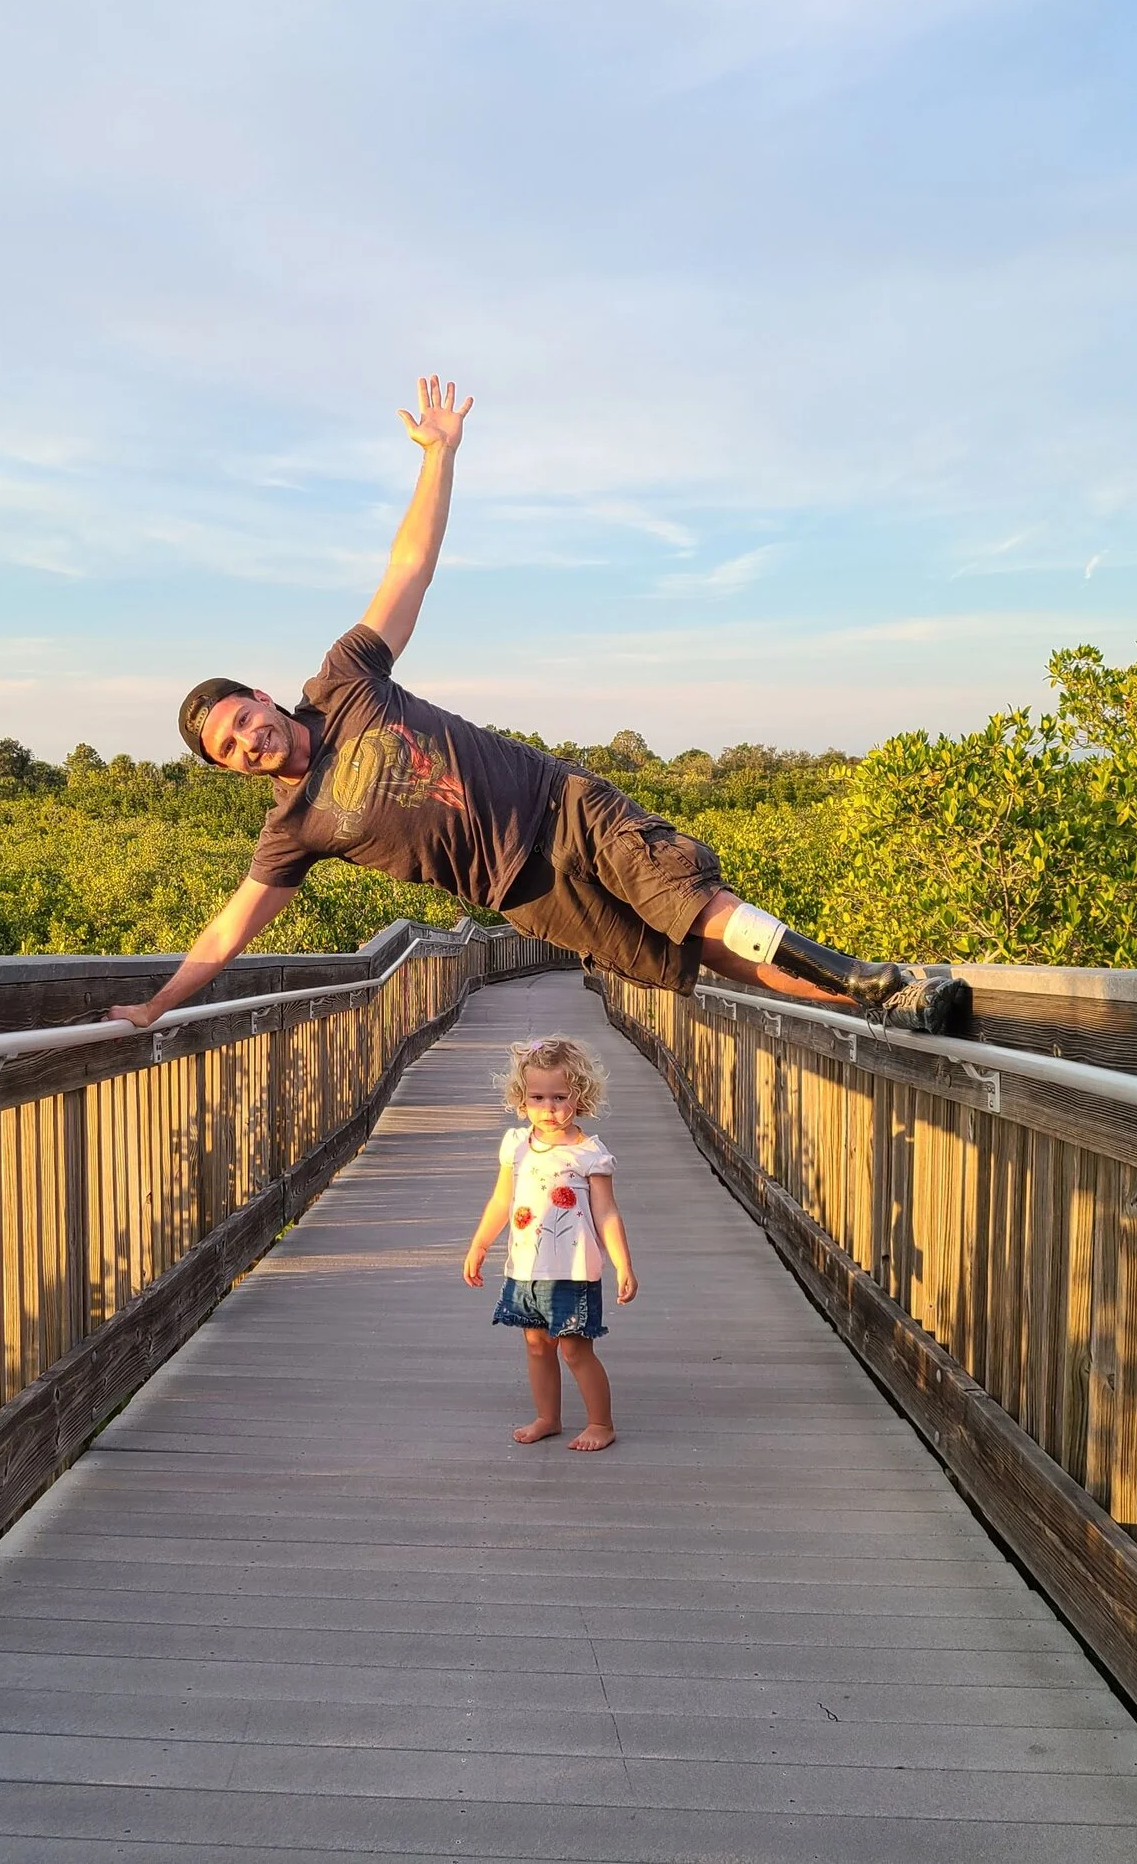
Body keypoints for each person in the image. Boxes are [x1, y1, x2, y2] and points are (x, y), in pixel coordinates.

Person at [104, 377, 971, 1034]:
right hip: (525, 895)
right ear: (231, 768)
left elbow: (409, 571)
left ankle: (871, 976)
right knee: (693, 957)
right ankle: (873, 1008)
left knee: (688, 895)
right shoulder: (293, 828)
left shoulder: (344, 680)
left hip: (560, 807)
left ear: (259, 697)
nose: (250, 741)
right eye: (231, 750)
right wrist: (156, 1005)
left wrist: (438, 457)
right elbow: (228, 929)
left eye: (242, 720)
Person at [461, 1035, 633, 1451]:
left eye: (559, 1097)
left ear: (580, 1096)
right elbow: (503, 1200)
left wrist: (623, 1264)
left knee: (575, 1349)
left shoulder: (589, 1153)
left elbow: (606, 1212)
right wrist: (480, 1244)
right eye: (537, 1097)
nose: (548, 1108)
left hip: (573, 1272)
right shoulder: (516, 1146)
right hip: (525, 1269)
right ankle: (547, 1417)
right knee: (537, 1346)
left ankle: (601, 1423)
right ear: (522, 1098)